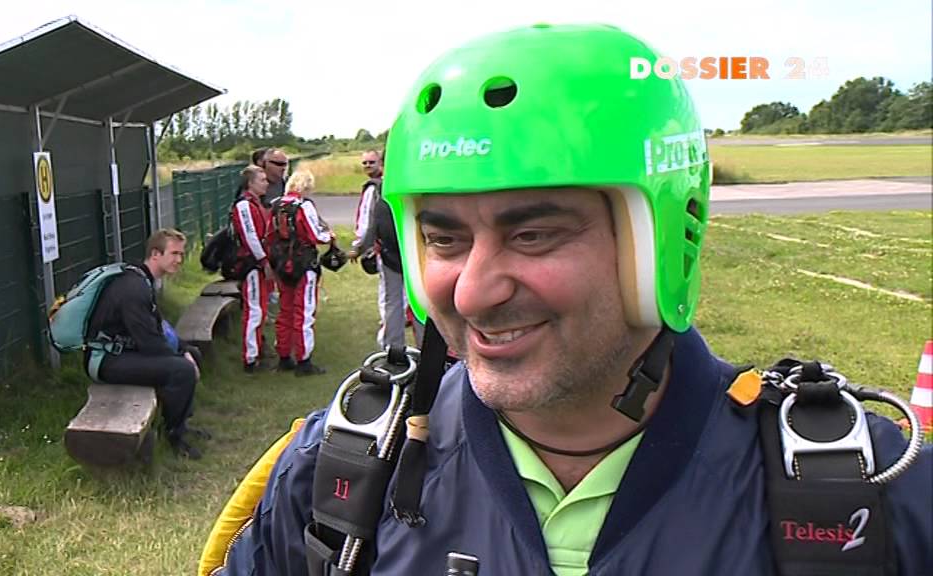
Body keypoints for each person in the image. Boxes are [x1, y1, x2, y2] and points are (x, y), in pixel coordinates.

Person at [201, 24, 932, 575]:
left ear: (662, 243)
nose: (476, 291)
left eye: (535, 234)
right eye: (445, 239)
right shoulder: (343, 468)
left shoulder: (863, 494)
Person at [86, 228, 207, 460]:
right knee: (181, 370)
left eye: (181, 254)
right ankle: (173, 436)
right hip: (105, 360)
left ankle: (181, 423)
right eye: (174, 254)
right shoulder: (134, 288)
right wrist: (181, 359)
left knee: (193, 353)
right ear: (155, 254)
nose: (179, 260)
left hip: (125, 353)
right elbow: (149, 342)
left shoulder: (143, 280)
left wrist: (183, 350)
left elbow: (158, 328)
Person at [348, 149, 416, 349]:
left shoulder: (378, 188)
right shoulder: (413, 183)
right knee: (417, 300)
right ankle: (416, 346)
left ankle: (393, 346)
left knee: (393, 300)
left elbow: (369, 221)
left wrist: (360, 247)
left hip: (391, 252)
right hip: (411, 250)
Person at [269, 170, 332, 376]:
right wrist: (329, 236)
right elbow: (315, 235)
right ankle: (304, 361)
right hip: (303, 264)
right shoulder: (304, 206)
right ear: (306, 186)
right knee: (303, 312)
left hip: (281, 263)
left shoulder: (276, 204)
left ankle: (284, 356)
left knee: (285, 310)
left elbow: (269, 234)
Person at [229, 165, 274, 373]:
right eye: (262, 179)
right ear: (250, 183)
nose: (266, 183)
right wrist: (263, 261)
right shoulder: (244, 206)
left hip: (259, 263)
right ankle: (250, 358)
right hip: (252, 265)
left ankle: (257, 351)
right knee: (254, 310)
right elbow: (250, 236)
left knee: (261, 309)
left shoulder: (258, 204)